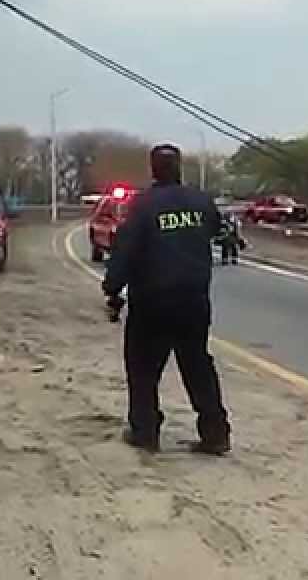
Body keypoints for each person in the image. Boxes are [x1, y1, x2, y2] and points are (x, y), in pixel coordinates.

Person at [102, 144, 231, 455]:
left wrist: (112, 288)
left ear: (153, 169)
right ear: (180, 168)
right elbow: (218, 230)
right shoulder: (201, 201)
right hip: (194, 300)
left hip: (152, 301)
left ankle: (145, 431)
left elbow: (126, 249)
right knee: (198, 366)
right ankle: (215, 433)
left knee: (143, 368)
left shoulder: (143, 206)